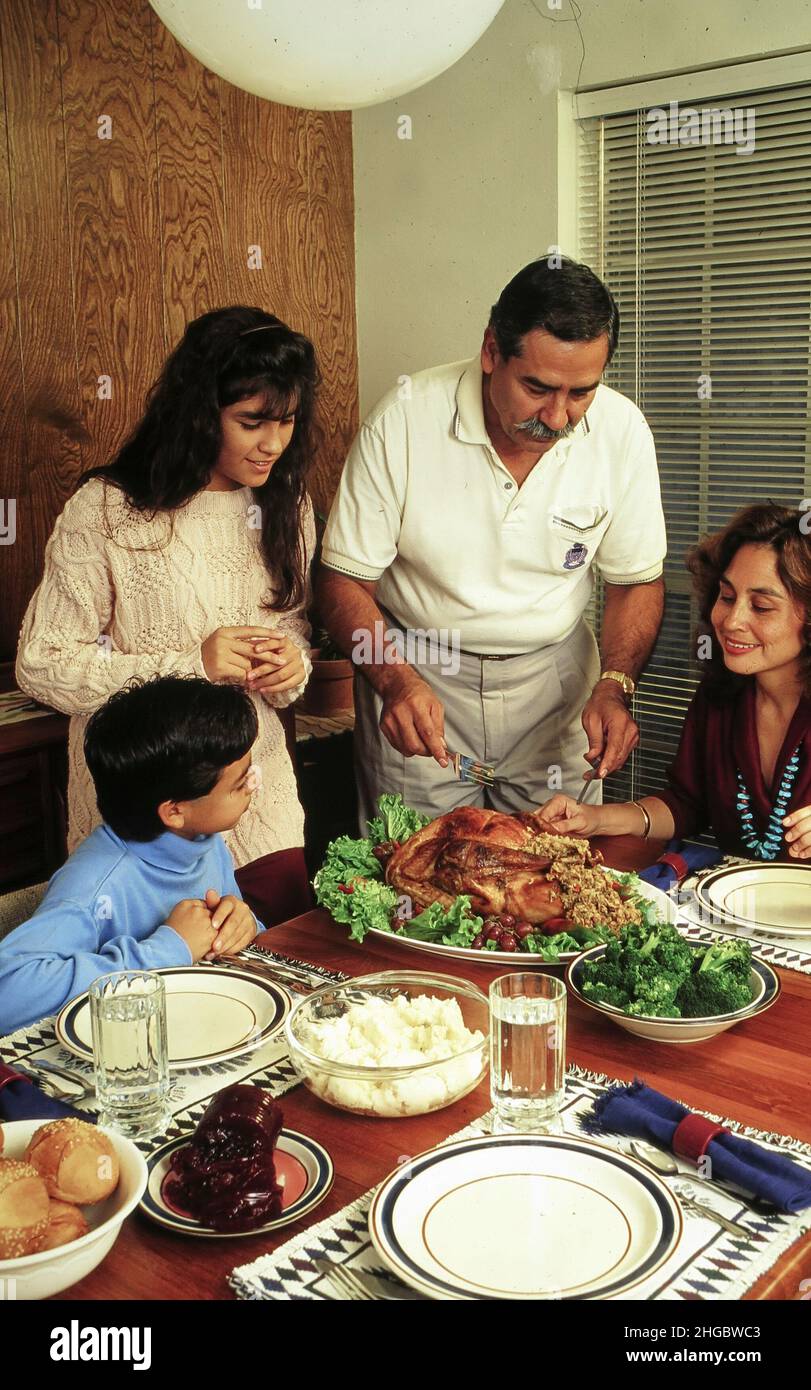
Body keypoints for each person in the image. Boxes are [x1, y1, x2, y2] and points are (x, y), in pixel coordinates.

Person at [317, 256, 666, 828]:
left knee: (554, 878)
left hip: (555, 692)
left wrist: (615, 684)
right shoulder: (403, 420)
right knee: (411, 873)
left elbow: (636, 582)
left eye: (582, 393)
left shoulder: (623, 431)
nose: (557, 417)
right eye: (537, 387)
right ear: (490, 352)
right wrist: (395, 680)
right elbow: (342, 581)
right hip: (420, 674)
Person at [16, 307, 319, 926]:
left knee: (278, 972)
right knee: (157, 988)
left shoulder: (287, 504)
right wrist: (192, 664)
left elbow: (292, 641)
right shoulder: (106, 509)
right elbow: (42, 664)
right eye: (251, 422)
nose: (273, 443)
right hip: (147, 810)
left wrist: (291, 668)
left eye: (286, 421)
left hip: (258, 800)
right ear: (198, 412)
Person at [540, 503, 811, 860]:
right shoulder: (721, 695)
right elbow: (686, 804)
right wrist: (596, 819)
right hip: (732, 908)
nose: (731, 621)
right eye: (726, 597)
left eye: (761, 607)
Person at [0, 676, 265, 1034]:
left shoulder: (201, 840)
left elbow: (212, 947)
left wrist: (244, 925)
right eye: (240, 783)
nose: (255, 783)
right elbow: (8, 991)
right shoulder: (94, 885)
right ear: (173, 812)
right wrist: (168, 949)